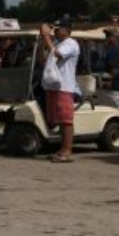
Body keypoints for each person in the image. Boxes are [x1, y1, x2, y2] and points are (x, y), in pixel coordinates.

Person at [39, 19, 80, 163]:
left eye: (58, 29)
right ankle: (62, 149)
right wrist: (43, 41)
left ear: (66, 29)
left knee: (66, 120)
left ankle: (67, 151)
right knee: (58, 119)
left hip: (65, 85)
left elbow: (57, 54)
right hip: (53, 85)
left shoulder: (71, 43)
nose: (55, 31)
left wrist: (46, 37)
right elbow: (42, 60)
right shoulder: (56, 43)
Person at [103, 29, 119, 110]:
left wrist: (109, 82)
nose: (106, 38)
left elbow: (115, 69)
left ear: (116, 38)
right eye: (106, 36)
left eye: (109, 36)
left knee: (113, 111)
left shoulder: (115, 49)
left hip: (114, 87)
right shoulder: (118, 48)